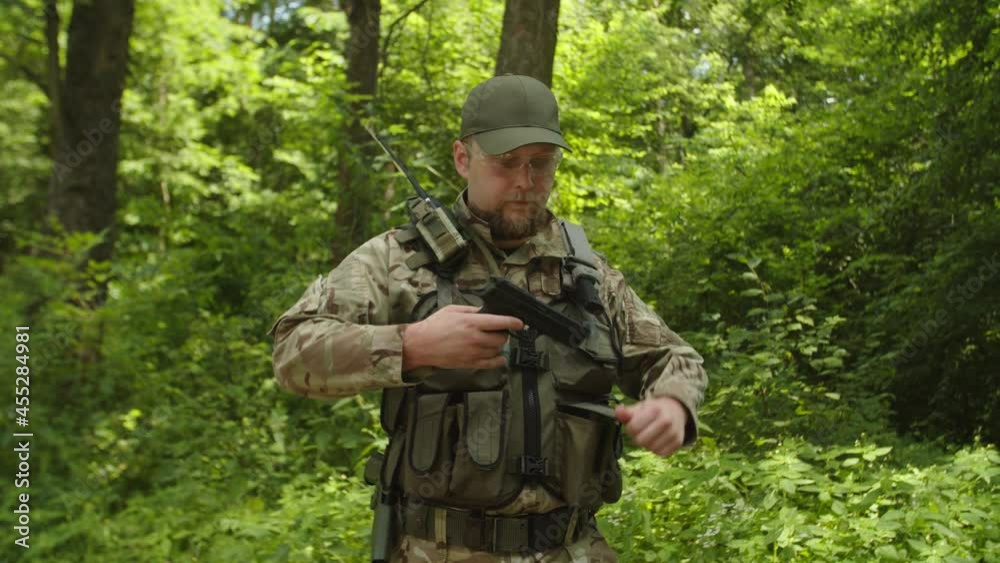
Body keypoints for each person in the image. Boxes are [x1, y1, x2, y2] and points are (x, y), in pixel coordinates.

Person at [269, 74, 708, 562]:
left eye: (541, 164)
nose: (525, 182)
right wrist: (411, 345)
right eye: (505, 164)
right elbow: (293, 349)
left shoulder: (587, 274)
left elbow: (673, 356)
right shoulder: (399, 260)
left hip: (573, 549)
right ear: (462, 158)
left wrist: (673, 405)